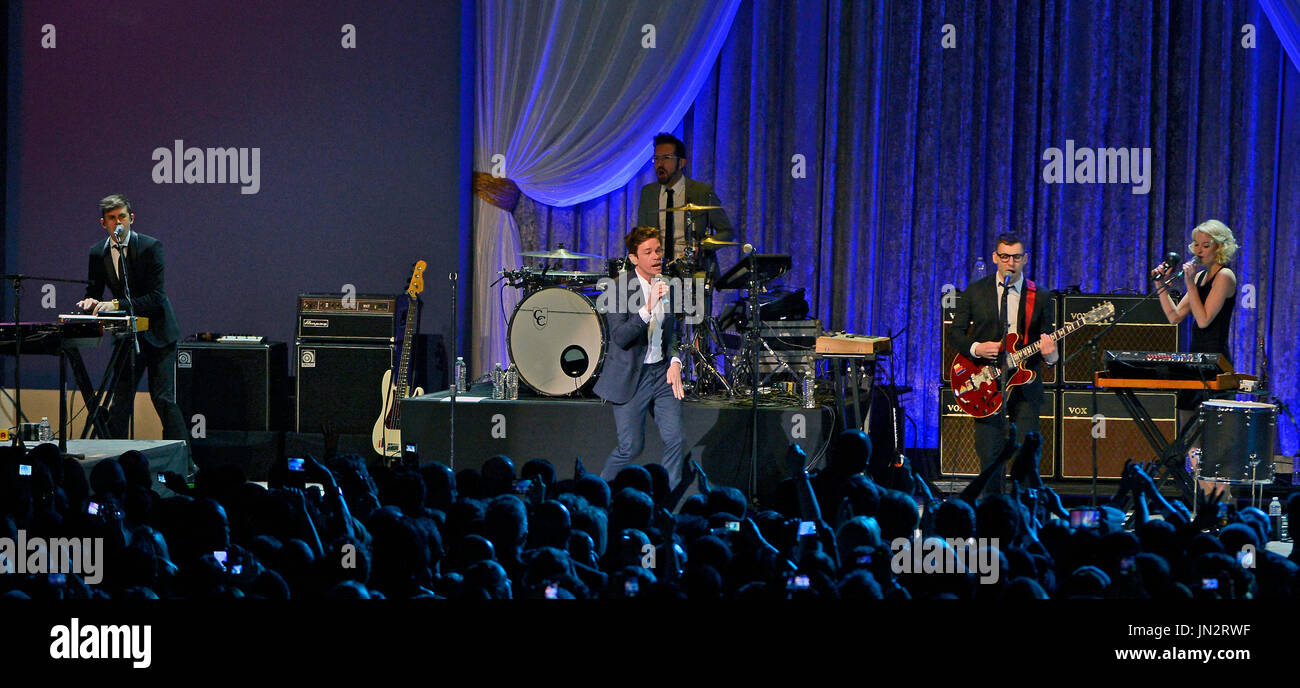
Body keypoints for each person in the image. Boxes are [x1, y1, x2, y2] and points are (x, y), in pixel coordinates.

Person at [945, 233, 1057, 495]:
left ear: (1025, 259)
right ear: (995, 258)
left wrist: (1051, 355)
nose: (1011, 262)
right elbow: (955, 334)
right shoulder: (976, 291)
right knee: (990, 454)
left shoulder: (1039, 296)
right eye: (1005, 257)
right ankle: (992, 515)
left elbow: (1046, 343)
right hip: (985, 381)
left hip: (1025, 384)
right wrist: (977, 348)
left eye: (1017, 257)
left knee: (1027, 454)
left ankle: (1024, 514)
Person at [75, 194, 186, 441]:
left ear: (131, 218)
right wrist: (90, 302)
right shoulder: (97, 253)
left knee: (163, 399)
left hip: (159, 334)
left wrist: (114, 304)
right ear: (103, 223)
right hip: (127, 336)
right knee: (120, 402)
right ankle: (117, 461)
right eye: (112, 218)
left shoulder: (149, 247)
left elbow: (156, 297)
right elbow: (94, 292)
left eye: (122, 217)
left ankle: (185, 462)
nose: (118, 223)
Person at [593, 226, 686, 488]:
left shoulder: (668, 286)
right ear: (634, 258)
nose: (657, 256)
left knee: (675, 440)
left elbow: (673, 335)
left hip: (662, 374)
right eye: (648, 252)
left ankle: (664, 504)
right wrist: (647, 308)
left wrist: (676, 361)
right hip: (632, 376)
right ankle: (600, 494)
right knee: (631, 448)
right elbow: (621, 337)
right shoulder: (616, 290)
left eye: (658, 250)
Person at [1155, 219, 1238, 494]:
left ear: (1220, 248)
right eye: (1196, 245)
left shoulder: (1224, 277)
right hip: (1193, 362)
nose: (1198, 251)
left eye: (1206, 245)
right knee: (1191, 437)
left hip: (1215, 364)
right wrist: (1162, 286)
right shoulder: (1200, 278)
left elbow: (1203, 320)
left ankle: (1221, 502)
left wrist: (1189, 282)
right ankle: (1203, 496)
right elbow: (1174, 316)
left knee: (1216, 442)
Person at [636, 133, 733, 267]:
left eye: (666, 158)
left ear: (681, 163)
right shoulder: (648, 193)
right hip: (658, 269)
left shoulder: (701, 191)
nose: (660, 164)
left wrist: (703, 246)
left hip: (693, 269)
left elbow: (727, 232)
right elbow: (641, 234)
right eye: (656, 158)